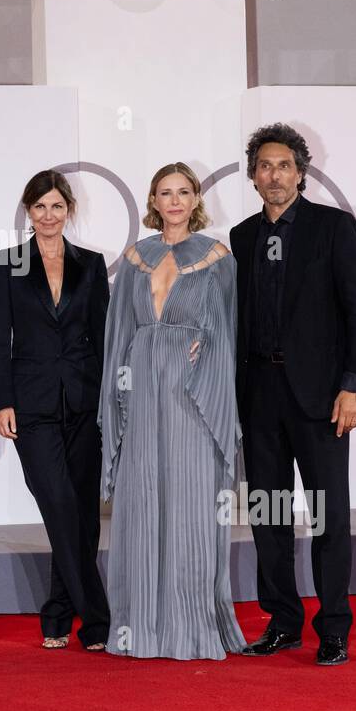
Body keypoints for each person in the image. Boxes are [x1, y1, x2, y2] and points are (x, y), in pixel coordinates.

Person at [231, 124, 356, 666]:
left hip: (321, 399)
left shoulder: (333, 228)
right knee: (269, 515)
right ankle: (283, 623)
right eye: (264, 166)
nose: (274, 174)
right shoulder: (241, 237)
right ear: (252, 176)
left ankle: (332, 627)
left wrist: (353, 386)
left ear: (301, 172)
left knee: (328, 516)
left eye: (284, 165)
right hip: (260, 395)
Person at [99, 163, 247, 660]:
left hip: (192, 390)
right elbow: (117, 335)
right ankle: (139, 626)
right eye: (166, 192)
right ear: (154, 200)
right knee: (141, 500)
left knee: (190, 503)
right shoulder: (135, 257)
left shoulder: (217, 257)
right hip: (140, 387)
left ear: (195, 198)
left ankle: (191, 626)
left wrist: (205, 351)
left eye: (184, 191)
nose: (176, 200)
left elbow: (228, 331)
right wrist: (114, 399)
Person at [0, 170, 110, 651]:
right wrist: (2, 401)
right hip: (31, 403)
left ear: (69, 211)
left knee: (81, 512)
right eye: (39, 207)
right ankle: (96, 617)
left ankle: (58, 613)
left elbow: (102, 337)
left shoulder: (91, 263)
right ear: (28, 212)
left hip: (85, 400)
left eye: (56, 206)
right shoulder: (11, 264)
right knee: (58, 504)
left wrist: (110, 400)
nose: (48, 215)